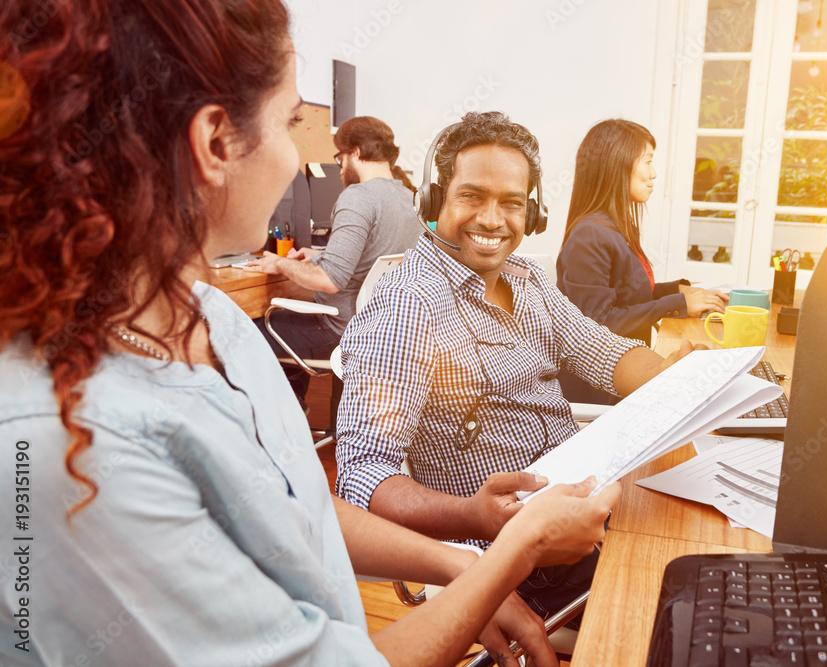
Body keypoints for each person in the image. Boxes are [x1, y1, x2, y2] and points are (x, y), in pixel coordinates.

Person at [0, 3, 621, 666]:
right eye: (291, 121)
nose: (300, 156)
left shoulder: (215, 320)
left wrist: (459, 561)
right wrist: (519, 546)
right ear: (215, 143)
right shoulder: (71, 447)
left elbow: (295, 512)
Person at [336, 111, 705, 626]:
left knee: (712, 564)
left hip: (585, 507)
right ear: (433, 199)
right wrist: (473, 519)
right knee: (685, 619)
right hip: (523, 557)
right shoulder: (410, 305)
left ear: (532, 213)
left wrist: (679, 374)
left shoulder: (526, 280)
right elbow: (363, 475)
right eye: (471, 196)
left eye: (511, 203)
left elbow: (606, 352)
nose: (492, 219)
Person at [245, 115, 422, 403]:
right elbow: (375, 254)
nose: (340, 169)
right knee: (283, 324)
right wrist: (322, 254)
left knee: (244, 333)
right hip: (379, 331)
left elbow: (329, 280)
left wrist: (280, 263)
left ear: (356, 152)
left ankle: (280, 427)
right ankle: (296, 417)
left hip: (338, 332)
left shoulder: (359, 196)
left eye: (340, 158)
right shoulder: (408, 196)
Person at [555, 119, 728, 403]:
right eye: (647, 161)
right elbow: (599, 324)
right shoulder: (590, 235)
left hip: (625, 376)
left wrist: (678, 291)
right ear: (616, 165)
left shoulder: (612, 227)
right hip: (600, 390)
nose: (654, 173)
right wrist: (678, 305)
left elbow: (625, 296)